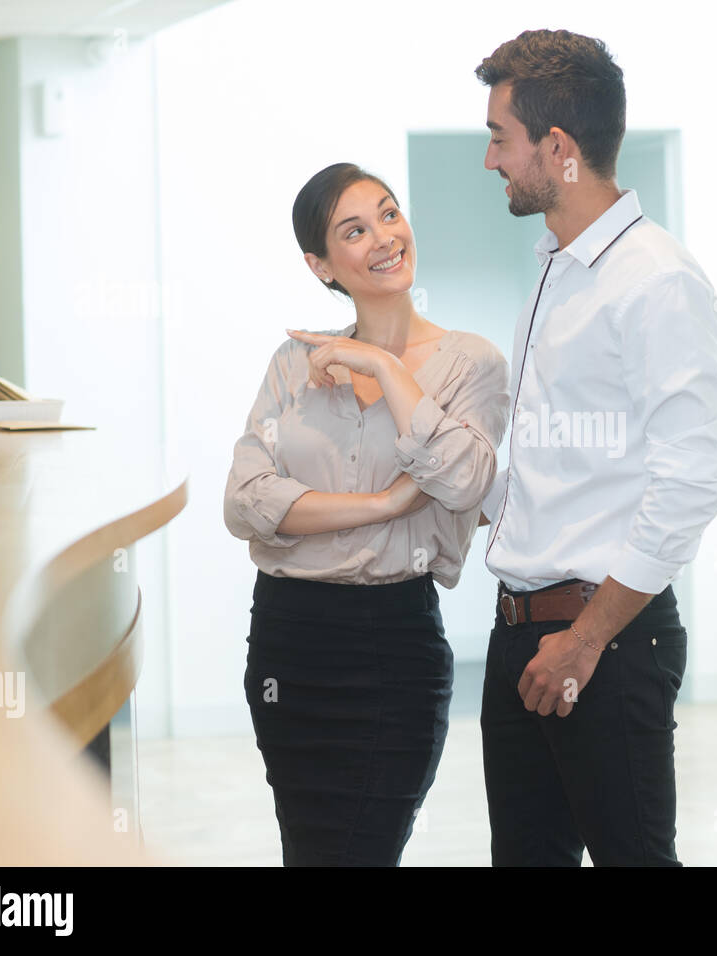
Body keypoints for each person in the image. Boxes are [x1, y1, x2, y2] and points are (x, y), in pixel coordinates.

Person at [473, 29, 717, 866]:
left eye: (499, 138)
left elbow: (689, 482)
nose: (489, 160)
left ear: (558, 147)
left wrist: (583, 640)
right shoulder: (557, 260)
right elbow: (558, 461)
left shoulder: (657, 279)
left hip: (605, 641)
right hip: (519, 628)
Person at [223, 163, 509, 865]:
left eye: (389, 213)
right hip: (290, 640)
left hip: (394, 645)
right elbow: (244, 502)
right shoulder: (295, 363)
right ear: (321, 265)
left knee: (363, 849)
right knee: (309, 849)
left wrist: (384, 368)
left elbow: (468, 480)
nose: (385, 237)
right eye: (355, 230)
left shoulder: (471, 363)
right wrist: (384, 503)